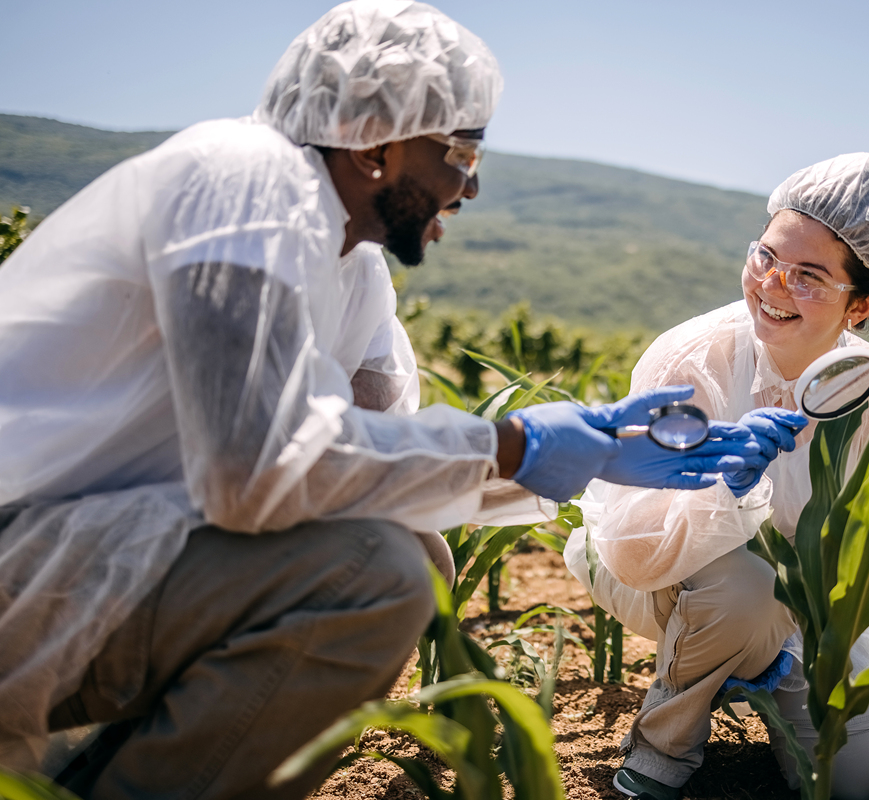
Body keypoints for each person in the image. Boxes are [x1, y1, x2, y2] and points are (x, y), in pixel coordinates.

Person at [0, 3, 801, 797]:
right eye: (458, 150)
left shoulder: (353, 271)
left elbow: (365, 464)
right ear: (377, 140)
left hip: (96, 552)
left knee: (409, 551)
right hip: (28, 547)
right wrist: (516, 448)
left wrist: (585, 459)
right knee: (368, 570)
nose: (472, 184)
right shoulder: (245, 177)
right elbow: (254, 469)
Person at [564, 153, 869, 800]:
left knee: (858, 784)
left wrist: (795, 640)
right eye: (766, 256)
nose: (773, 285)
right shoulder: (692, 359)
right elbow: (633, 552)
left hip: (800, 604)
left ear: (863, 305)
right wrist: (726, 490)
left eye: (809, 277)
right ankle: (664, 749)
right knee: (749, 587)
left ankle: (751, 662)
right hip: (647, 567)